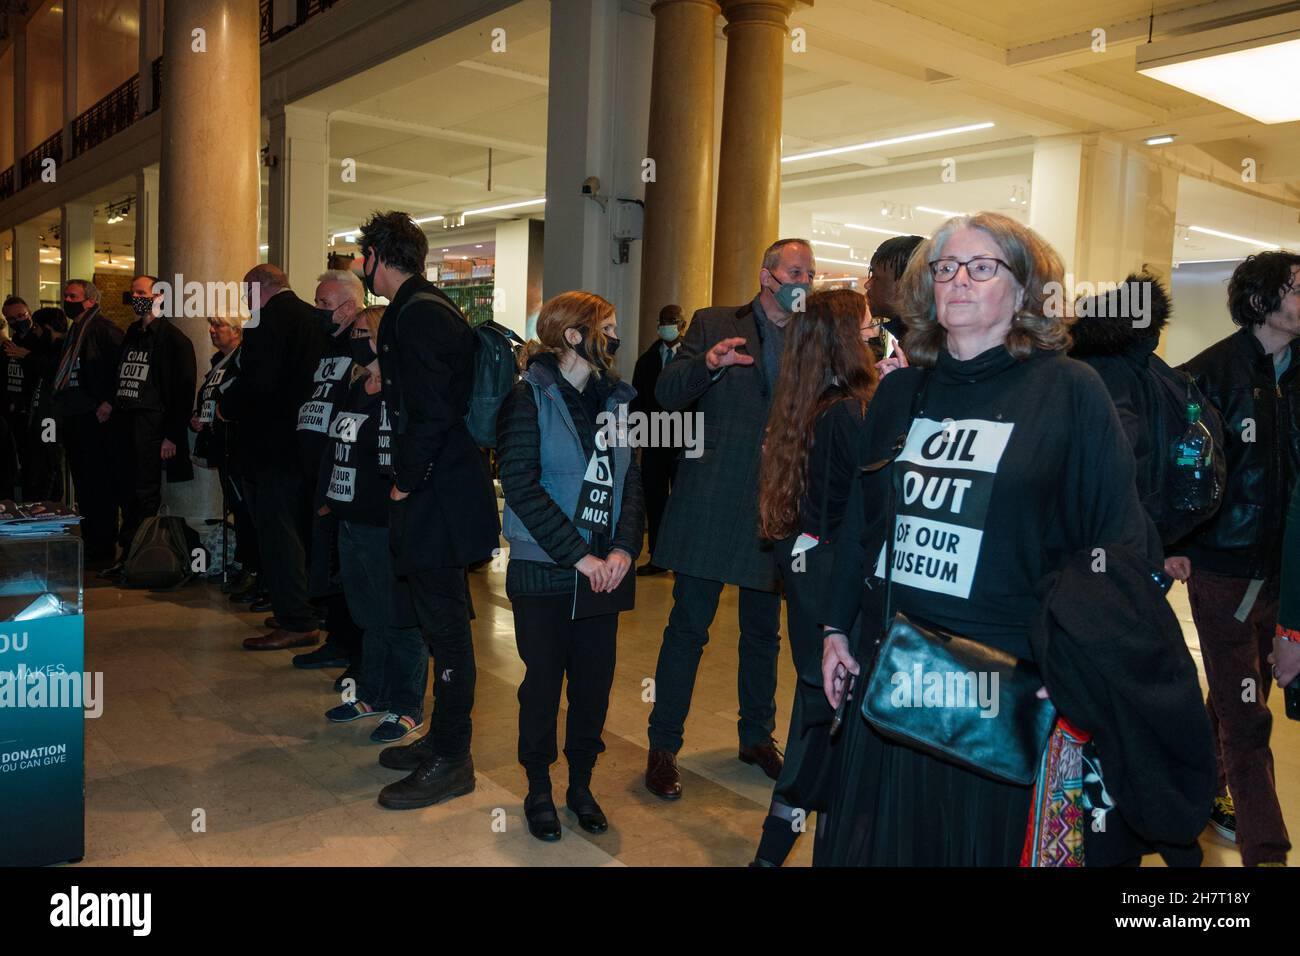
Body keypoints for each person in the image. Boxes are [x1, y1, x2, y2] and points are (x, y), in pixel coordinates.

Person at [816, 212, 1160, 865]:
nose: (959, 280)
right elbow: (864, 524)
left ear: (1025, 288)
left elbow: (1115, 542)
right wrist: (836, 629)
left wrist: (1079, 669)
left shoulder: (1068, 391)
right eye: (945, 268)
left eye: (981, 267)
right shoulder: (900, 394)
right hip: (895, 669)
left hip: (1000, 684)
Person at [645, 237, 815, 800]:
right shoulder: (714, 323)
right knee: (688, 627)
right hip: (711, 500)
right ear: (768, 276)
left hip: (774, 508)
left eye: (810, 273)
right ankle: (663, 746)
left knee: (763, 633)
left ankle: (756, 737)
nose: (805, 281)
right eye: (796, 271)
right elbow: (667, 396)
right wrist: (709, 367)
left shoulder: (813, 338)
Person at [354, 211, 499, 810]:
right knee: (436, 624)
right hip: (435, 494)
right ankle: (440, 741)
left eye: (362, 253)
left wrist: (405, 484)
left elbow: (435, 413)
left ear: (378, 256)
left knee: (447, 632)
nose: (360, 264)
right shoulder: (417, 310)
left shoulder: (421, 315)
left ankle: (451, 759)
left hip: (438, 498)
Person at [497, 291, 644, 841]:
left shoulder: (618, 401)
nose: (617, 337)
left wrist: (623, 551)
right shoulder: (527, 397)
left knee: (593, 684)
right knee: (542, 683)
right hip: (546, 570)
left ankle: (580, 784)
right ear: (576, 336)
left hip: (604, 570)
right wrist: (580, 556)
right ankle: (538, 786)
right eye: (608, 327)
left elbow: (632, 482)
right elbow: (521, 485)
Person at [1179, 250, 1300, 866]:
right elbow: (1179, 473)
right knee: (1247, 715)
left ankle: (1192, 794)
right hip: (1223, 571)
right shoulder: (1206, 378)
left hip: (1283, 572)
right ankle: (1268, 853)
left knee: (1233, 696)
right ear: (1262, 302)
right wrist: (1175, 546)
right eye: (1299, 289)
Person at [752, 289, 877, 866]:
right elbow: (868, 511)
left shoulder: (803, 403)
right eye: (868, 326)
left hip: (805, 581)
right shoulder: (851, 412)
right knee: (825, 735)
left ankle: (773, 854)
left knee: (813, 724)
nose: (876, 335)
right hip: (838, 597)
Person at [320, 306, 429, 744]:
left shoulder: (404, 390)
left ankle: (407, 705)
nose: (355, 339)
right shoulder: (356, 386)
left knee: (399, 617)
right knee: (368, 615)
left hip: (387, 522)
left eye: (364, 332)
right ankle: (372, 693)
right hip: (352, 518)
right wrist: (329, 498)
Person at [217, 264, 328, 650]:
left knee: (278, 538)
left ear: (257, 289)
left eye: (246, 295)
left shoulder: (266, 322)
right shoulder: (313, 319)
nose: (246, 304)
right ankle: (297, 608)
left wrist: (224, 407)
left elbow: (257, 384)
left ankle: (295, 620)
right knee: (298, 535)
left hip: (269, 448)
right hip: (304, 445)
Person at [288, 271, 369, 681]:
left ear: (349, 307)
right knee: (326, 562)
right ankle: (336, 640)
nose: (317, 310)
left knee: (348, 568)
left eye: (324, 304)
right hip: (316, 469)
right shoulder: (322, 346)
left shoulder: (361, 351)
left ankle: (358, 653)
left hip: (345, 472)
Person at [101, 275, 197, 577]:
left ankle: (136, 557)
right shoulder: (131, 333)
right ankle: (124, 554)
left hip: (151, 427)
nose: (135, 297)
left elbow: (183, 393)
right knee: (123, 489)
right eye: (133, 292)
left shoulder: (175, 340)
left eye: (141, 292)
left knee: (144, 494)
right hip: (124, 424)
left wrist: (171, 435)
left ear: (159, 296)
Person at [51, 279, 123, 565]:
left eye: (73, 296)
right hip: (74, 415)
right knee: (84, 485)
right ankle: (92, 544)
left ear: (90, 300)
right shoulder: (75, 331)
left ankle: (102, 548)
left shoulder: (103, 329)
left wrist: (109, 401)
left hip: (94, 417)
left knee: (99, 485)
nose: (67, 301)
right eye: (65, 296)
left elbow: (120, 366)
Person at [191, 316, 259, 596]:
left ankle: (251, 567)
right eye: (211, 325)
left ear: (237, 331)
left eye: (219, 326)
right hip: (221, 447)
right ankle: (244, 564)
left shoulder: (242, 362)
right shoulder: (218, 362)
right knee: (237, 508)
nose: (212, 331)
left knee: (245, 512)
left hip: (239, 448)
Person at [630, 303, 686, 575]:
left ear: (682, 325)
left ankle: (682, 556)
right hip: (653, 435)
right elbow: (636, 400)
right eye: (663, 321)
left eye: (672, 321)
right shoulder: (647, 359)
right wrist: (635, 436)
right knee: (655, 497)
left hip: (685, 436)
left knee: (684, 498)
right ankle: (658, 555)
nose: (667, 325)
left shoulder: (692, 357)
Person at [2, 296, 59, 499]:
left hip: (44, 414)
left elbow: (50, 371)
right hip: (20, 415)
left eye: (22, 315)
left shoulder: (44, 341)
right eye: (12, 319)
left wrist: (26, 356)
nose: (19, 321)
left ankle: (48, 508)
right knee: (27, 465)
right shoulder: (14, 341)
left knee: (45, 464)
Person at [866, 234, 925, 342]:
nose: (867, 285)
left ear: (906, 284)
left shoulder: (925, 351)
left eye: (876, 277)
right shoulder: (911, 342)